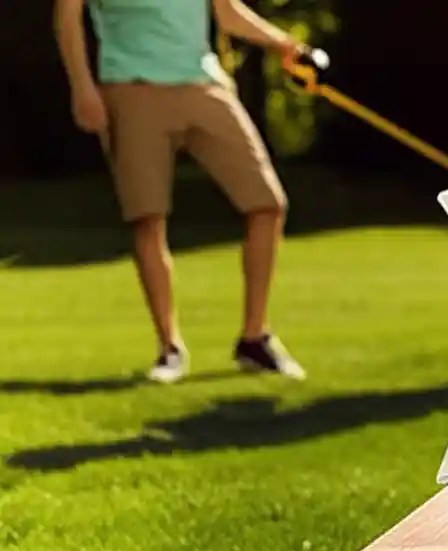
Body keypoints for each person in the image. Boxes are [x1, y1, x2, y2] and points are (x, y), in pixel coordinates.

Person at [54, 0, 307, 383]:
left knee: (267, 205)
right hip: (132, 88)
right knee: (147, 217)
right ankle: (169, 347)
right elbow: (67, 15)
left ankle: (254, 338)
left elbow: (226, 12)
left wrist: (283, 43)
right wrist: (81, 86)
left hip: (205, 85)